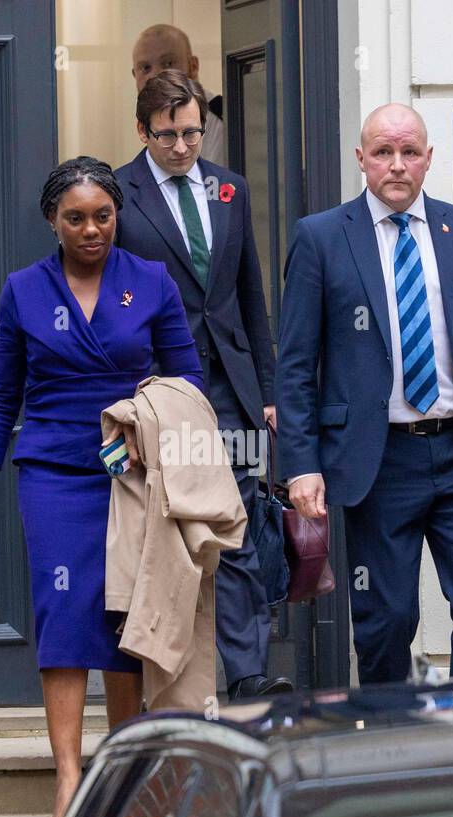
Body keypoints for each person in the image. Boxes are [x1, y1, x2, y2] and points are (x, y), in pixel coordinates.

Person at [0, 157, 203, 817]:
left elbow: (188, 382)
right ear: (52, 222)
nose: (92, 229)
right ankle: (69, 776)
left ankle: (122, 776)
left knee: (126, 621)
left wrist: (151, 429)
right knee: (65, 616)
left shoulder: (150, 281)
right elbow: (1, 394)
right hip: (55, 474)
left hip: (132, 477)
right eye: (76, 218)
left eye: (103, 216)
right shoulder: (24, 291)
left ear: (117, 215)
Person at [274, 104, 453, 684]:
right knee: (386, 618)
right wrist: (301, 465)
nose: (397, 165)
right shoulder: (321, 238)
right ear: (361, 159)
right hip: (379, 461)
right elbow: (294, 366)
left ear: (428, 159)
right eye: (384, 153)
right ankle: (395, 749)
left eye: (409, 152)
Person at [114, 70, 292, 700]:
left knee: (238, 522)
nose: (184, 146)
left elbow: (250, 296)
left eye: (194, 132)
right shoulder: (119, 193)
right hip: (161, 391)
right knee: (178, 535)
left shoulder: (230, 190)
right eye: (169, 135)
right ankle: (181, 685)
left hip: (232, 390)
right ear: (143, 130)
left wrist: (269, 389)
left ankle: (248, 676)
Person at [131, 24, 227, 167]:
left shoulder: (225, 120)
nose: (155, 75)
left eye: (168, 63)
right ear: (134, 76)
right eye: (145, 68)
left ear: (192, 66)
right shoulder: (148, 126)